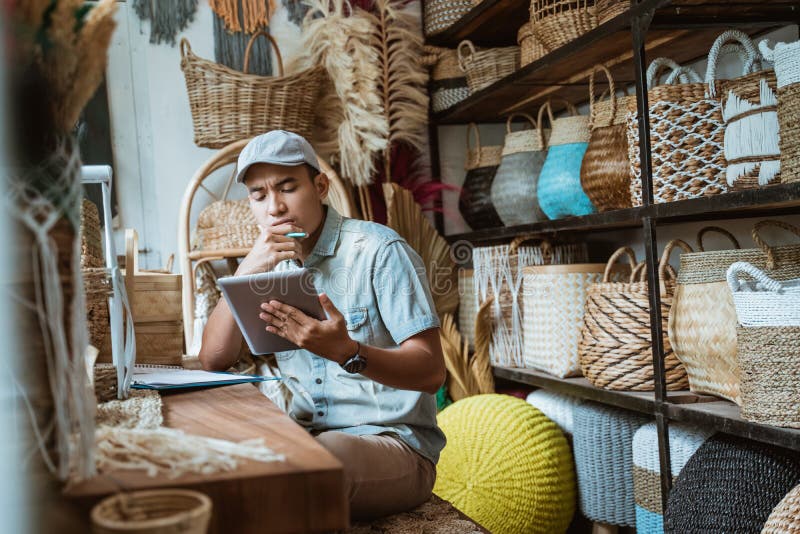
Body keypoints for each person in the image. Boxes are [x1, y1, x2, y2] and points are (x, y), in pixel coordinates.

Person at [199, 130, 447, 520]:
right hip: (304, 437)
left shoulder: (378, 251)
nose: (275, 207)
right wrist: (247, 270)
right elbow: (213, 357)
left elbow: (432, 371)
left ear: (320, 186)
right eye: (259, 195)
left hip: (392, 444)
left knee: (318, 463)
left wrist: (349, 352)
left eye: (287, 187)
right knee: (217, 460)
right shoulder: (269, 268)